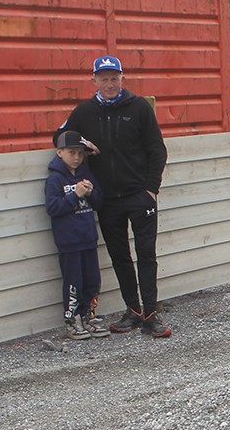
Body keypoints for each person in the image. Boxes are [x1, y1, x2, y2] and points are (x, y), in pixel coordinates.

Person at [55, 55, 171, 338]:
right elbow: (59, 136)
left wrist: (150, 189)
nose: (109, 83)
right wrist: (82, 144)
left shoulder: (139, 107)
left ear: (122, 78)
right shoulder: (84, 111)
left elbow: (158, 150)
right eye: (103, 78)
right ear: (94, 80)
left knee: (146, 255)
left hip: (139, 195)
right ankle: (133, 310)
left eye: (114, 77)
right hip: (107, 199)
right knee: (120, 256)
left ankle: (151, 313)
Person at [45, 130, 109, 340]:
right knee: (74, 282)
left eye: (80, 153)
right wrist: (75, 195)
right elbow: (53, 208)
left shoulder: (85, 175)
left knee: (92, 280)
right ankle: (72, 319)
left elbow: (100, 203)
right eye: (71, 152)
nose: (76, 158)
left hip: (88, 238)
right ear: (59, 152)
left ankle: (89, 316)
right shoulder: (54, 179)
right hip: (69, 242)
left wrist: (91, 193)